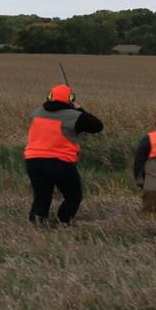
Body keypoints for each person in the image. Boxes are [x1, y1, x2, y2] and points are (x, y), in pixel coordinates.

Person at [23, 84, 103, 226]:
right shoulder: (75, 116)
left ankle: (37, 223)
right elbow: (97, 126)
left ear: (49, 97)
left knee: (42, 196)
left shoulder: (35, 113)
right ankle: (62, 223)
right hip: (60, 163)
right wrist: (79, 109)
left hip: (33, 161)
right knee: (73, 196)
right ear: (70, 99)